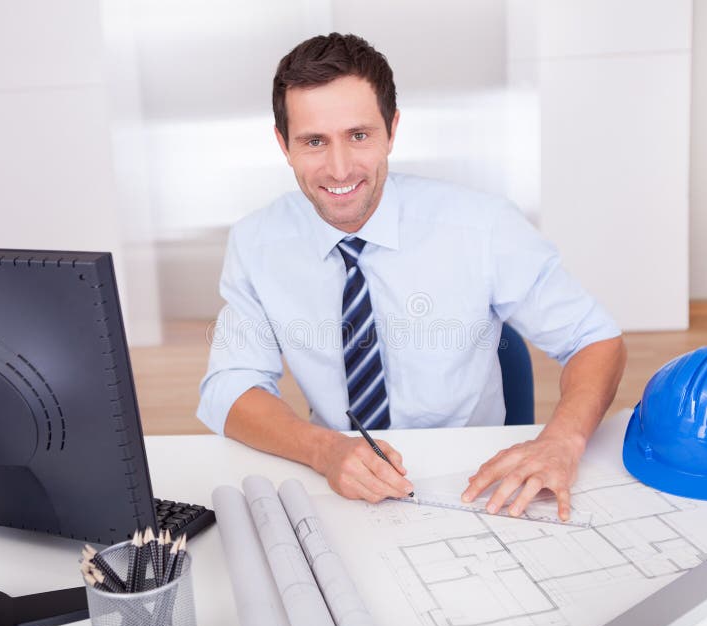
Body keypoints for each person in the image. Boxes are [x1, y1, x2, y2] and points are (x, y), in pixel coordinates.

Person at [197, 33, 626, 521]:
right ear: (284, 145)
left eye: (359, 135)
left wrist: (562, 442)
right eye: (314, 141)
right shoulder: (257, 243)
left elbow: (596, 339)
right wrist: (324, 450)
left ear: (392, 130)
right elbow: (229, 387)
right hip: (340, 472)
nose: (339, 168)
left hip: (473, 478)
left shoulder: (481, 226)